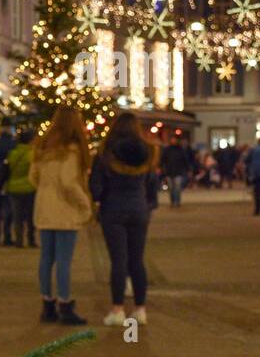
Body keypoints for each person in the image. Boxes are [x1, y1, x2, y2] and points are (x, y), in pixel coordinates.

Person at [89, 112, 159, 326]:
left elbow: (96, 187)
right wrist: (147, 204)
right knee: (137, 260)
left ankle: (117, 310)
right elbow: (152, 185)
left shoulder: (105, 153)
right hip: (139, 209)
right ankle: (140, 309)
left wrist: (100, 198)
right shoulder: (148, 152)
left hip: (113, 210)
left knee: (118, 261)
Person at [30, 107, 91, 325]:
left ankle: (47, 305)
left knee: (46, 258)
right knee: (64, 261)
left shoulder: (43, 148)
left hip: (45, 209)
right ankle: (65, 304)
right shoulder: (71, 151)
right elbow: (68, 182)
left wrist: (45, 193)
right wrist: (85, 206)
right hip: (65, 211)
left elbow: (33, 177)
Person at [4, 129, 37, 248]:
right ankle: (31, 239)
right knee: (30, 216)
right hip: (29, 188)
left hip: (13, 188)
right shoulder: (32, 154)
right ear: (30, 140)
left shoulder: (12, 153)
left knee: (17, 216)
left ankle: (19, 240)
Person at [160, 136, 191, 207]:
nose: (173, 141)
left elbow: (185, 160)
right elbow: (162, 160)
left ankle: (177, 201)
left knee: (177, 187)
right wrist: (160, 168)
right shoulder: (167, 150)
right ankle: (172, 201)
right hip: (169, 171)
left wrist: (188, 169)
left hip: (178, 171)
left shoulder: (180, 150)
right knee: (171, 188)